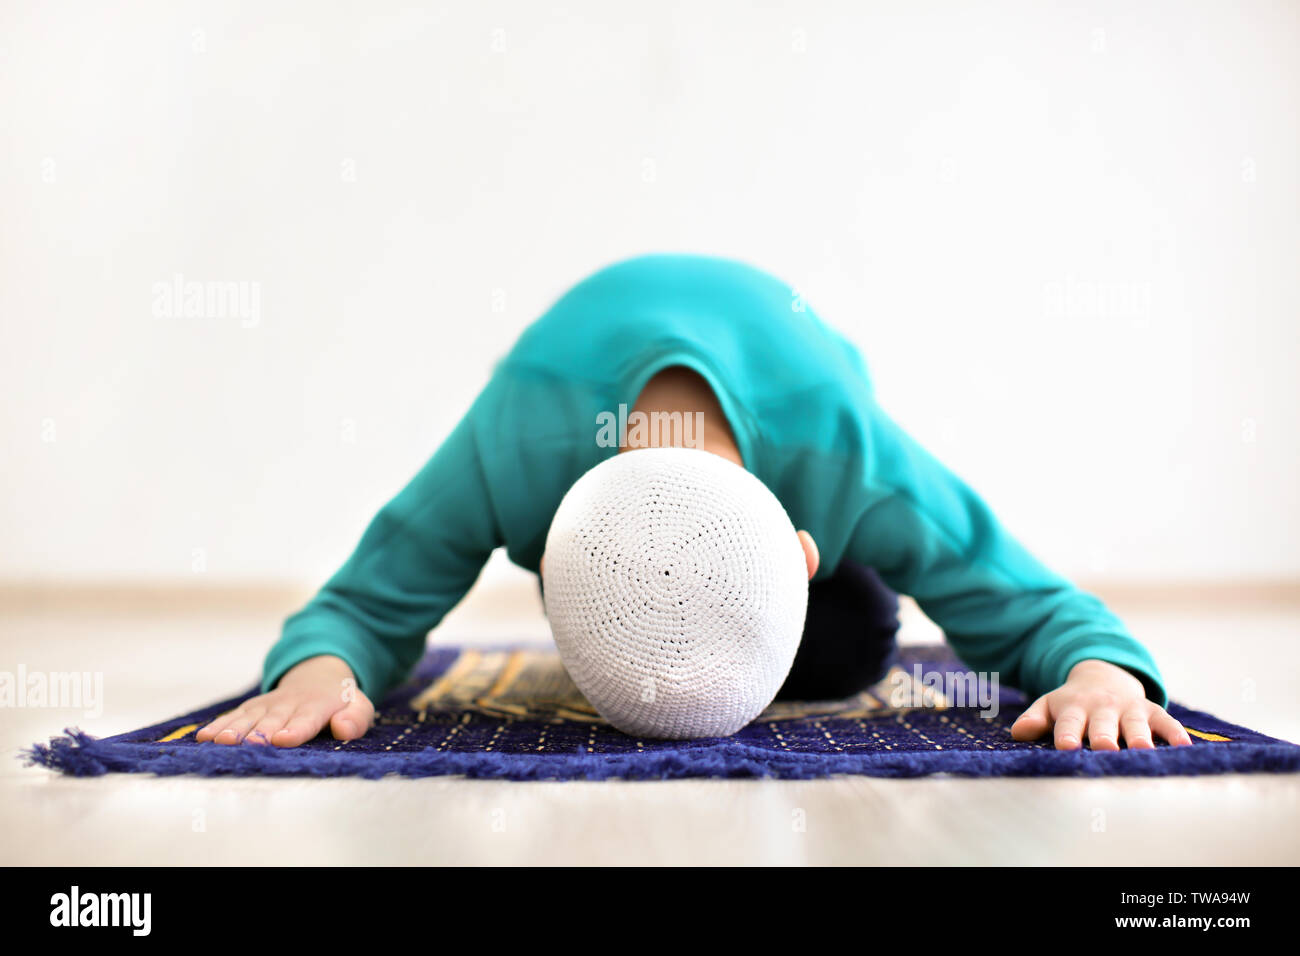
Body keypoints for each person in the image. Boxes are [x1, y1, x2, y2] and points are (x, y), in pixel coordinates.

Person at [197, 254, 1192, 752]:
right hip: (576, 370)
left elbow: (1035, 607)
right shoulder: (518, 443)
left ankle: (817, 624)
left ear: (807, 546)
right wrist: (320, 670)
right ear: (550, 552)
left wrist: (1100, 676)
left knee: (849, 647)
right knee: (815, 651)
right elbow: (362, 605)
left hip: (795, 387)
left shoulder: (846, 453)